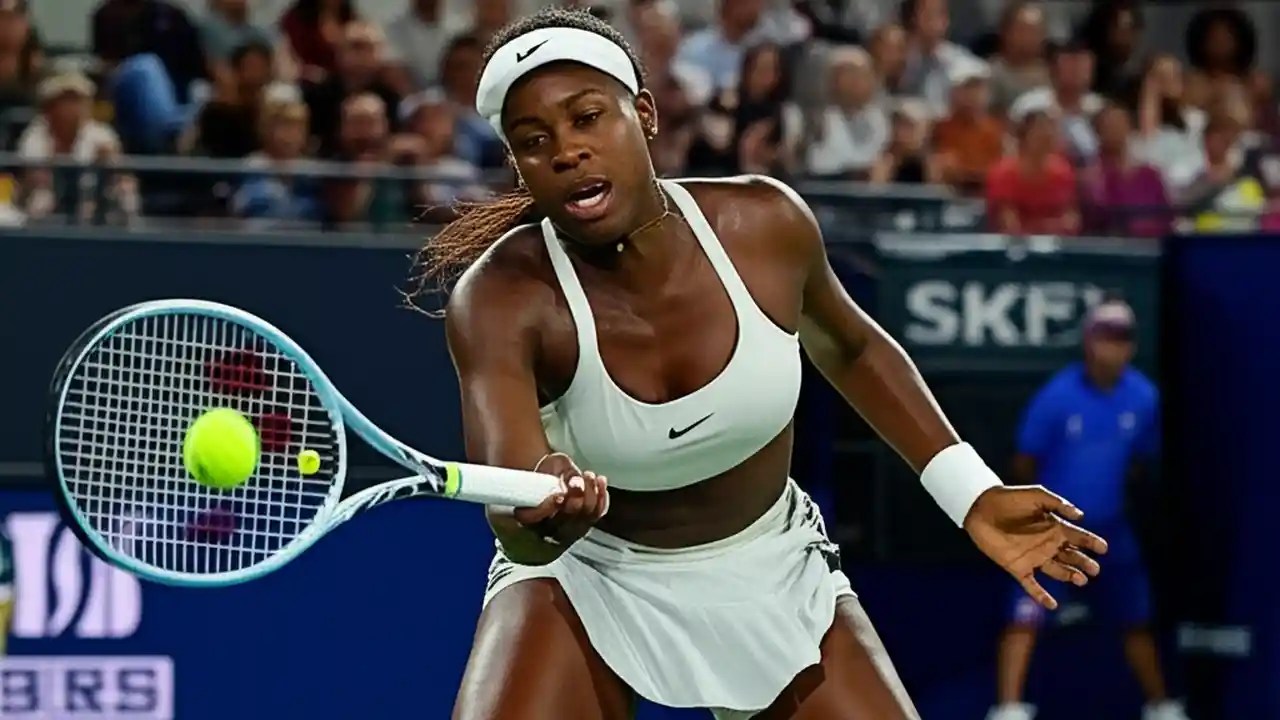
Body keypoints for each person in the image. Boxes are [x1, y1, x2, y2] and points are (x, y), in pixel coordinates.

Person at [408, 8, 1108, 719]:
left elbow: (853, 347)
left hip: (769, 567)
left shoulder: (765, 226)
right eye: (534, 141)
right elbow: (514, 505)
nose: (566, 151)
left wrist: (972, 494)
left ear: (644, 114)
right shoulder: (501, 298)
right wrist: (542, 510)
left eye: (588, 117)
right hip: (588, 574)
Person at [986, 299, 1187, 720]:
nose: (1113, 349)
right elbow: (1024, 462)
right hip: (1051, 531)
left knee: (1137, 618)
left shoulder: (1144, 398)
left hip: (1111, 530)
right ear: (1088, 342)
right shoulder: (1056, 398)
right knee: (1025, 615)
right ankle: (1007, 708)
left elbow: (1140, 459)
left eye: (1122, 340)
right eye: (1105, 338)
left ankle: (1160, 706)